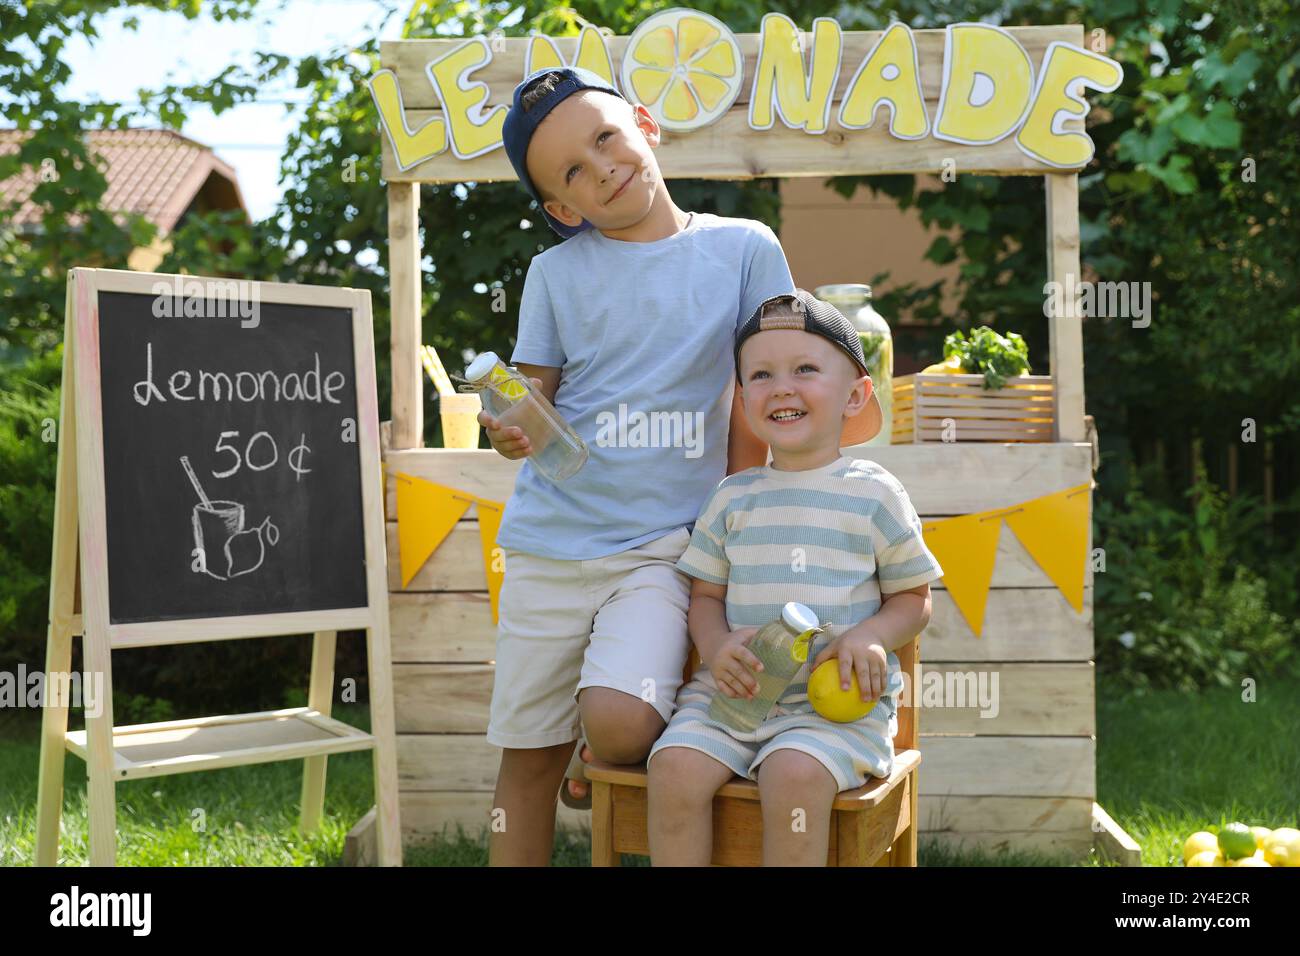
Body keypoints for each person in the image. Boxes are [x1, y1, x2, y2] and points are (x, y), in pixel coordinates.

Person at [481, 65, 797, 865]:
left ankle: (598, 753)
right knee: (527, 757)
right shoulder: (555, 274)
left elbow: (765, 385)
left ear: (645, 124)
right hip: (548, 547)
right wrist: (505, 425)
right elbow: (532, 401)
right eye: (574, 173)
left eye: (605, 137)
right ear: (562, 208)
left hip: (664, 548)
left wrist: (738, 516)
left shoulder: (744, 249)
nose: (603, 167)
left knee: (623, 725)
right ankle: (564, 767)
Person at [646, 289, 944, 866]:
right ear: (742, 398)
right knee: (673, 769)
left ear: (855, 394)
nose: (781, 386)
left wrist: (870, 636)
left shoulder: (873, 491)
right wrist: (713, 644)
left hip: (832, 707)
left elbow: (914, 597)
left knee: (794, 775)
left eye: (805, 369)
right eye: (760, 375)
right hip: (734, 694)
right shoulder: (732, 497)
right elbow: (705, 597)